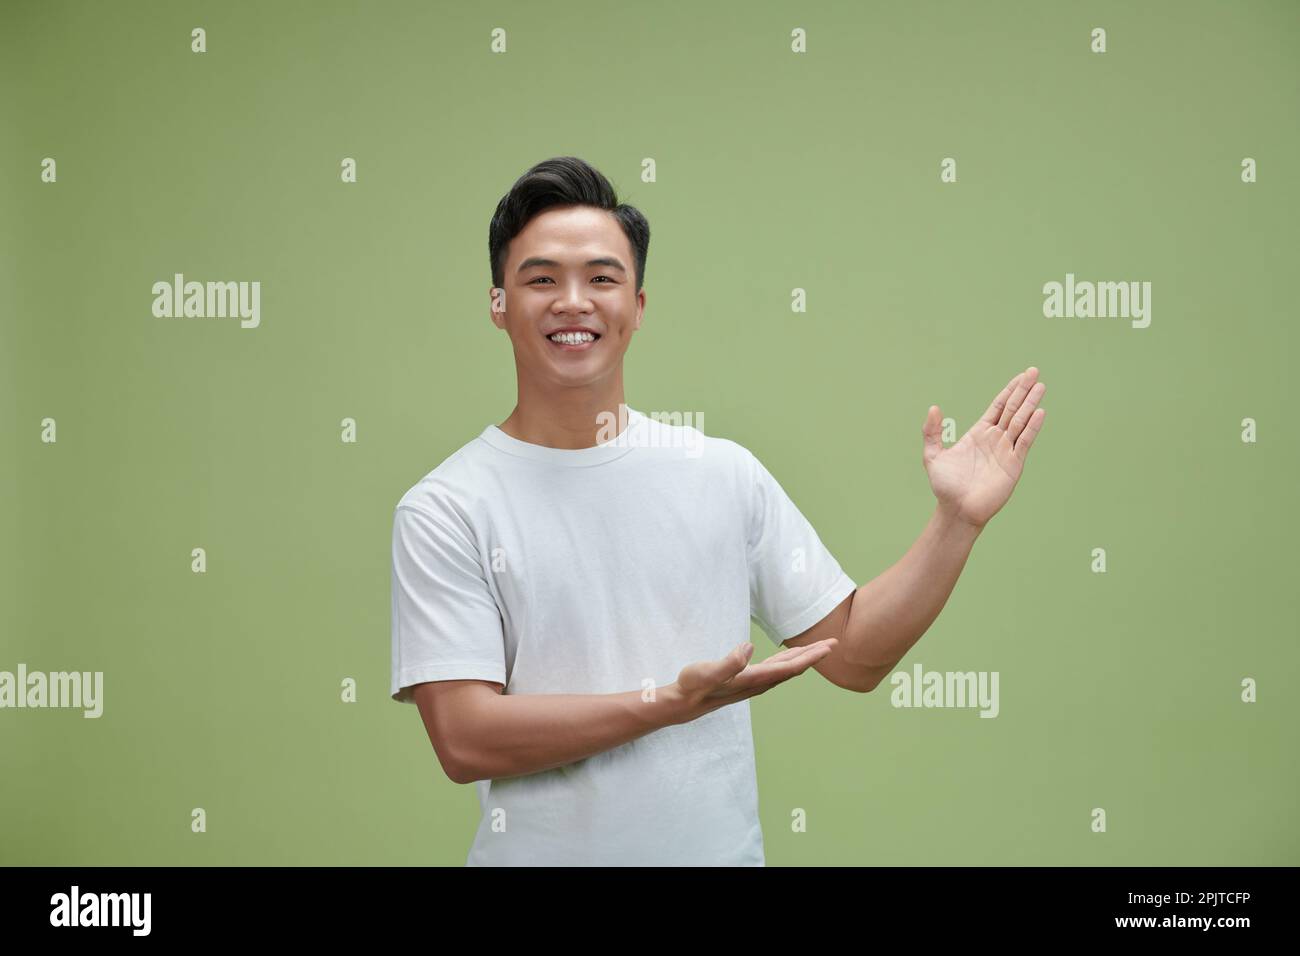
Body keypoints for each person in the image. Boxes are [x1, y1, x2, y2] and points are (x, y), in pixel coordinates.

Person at [390, 156, 1047, 866]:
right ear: (498, 304)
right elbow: (465, 739)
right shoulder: (446, 508)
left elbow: (856, 654)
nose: (573, 301)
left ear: (637, 307)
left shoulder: (721, 474)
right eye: (541, 278)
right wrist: (666, 704)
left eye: (602, 278)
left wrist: (957, 522)